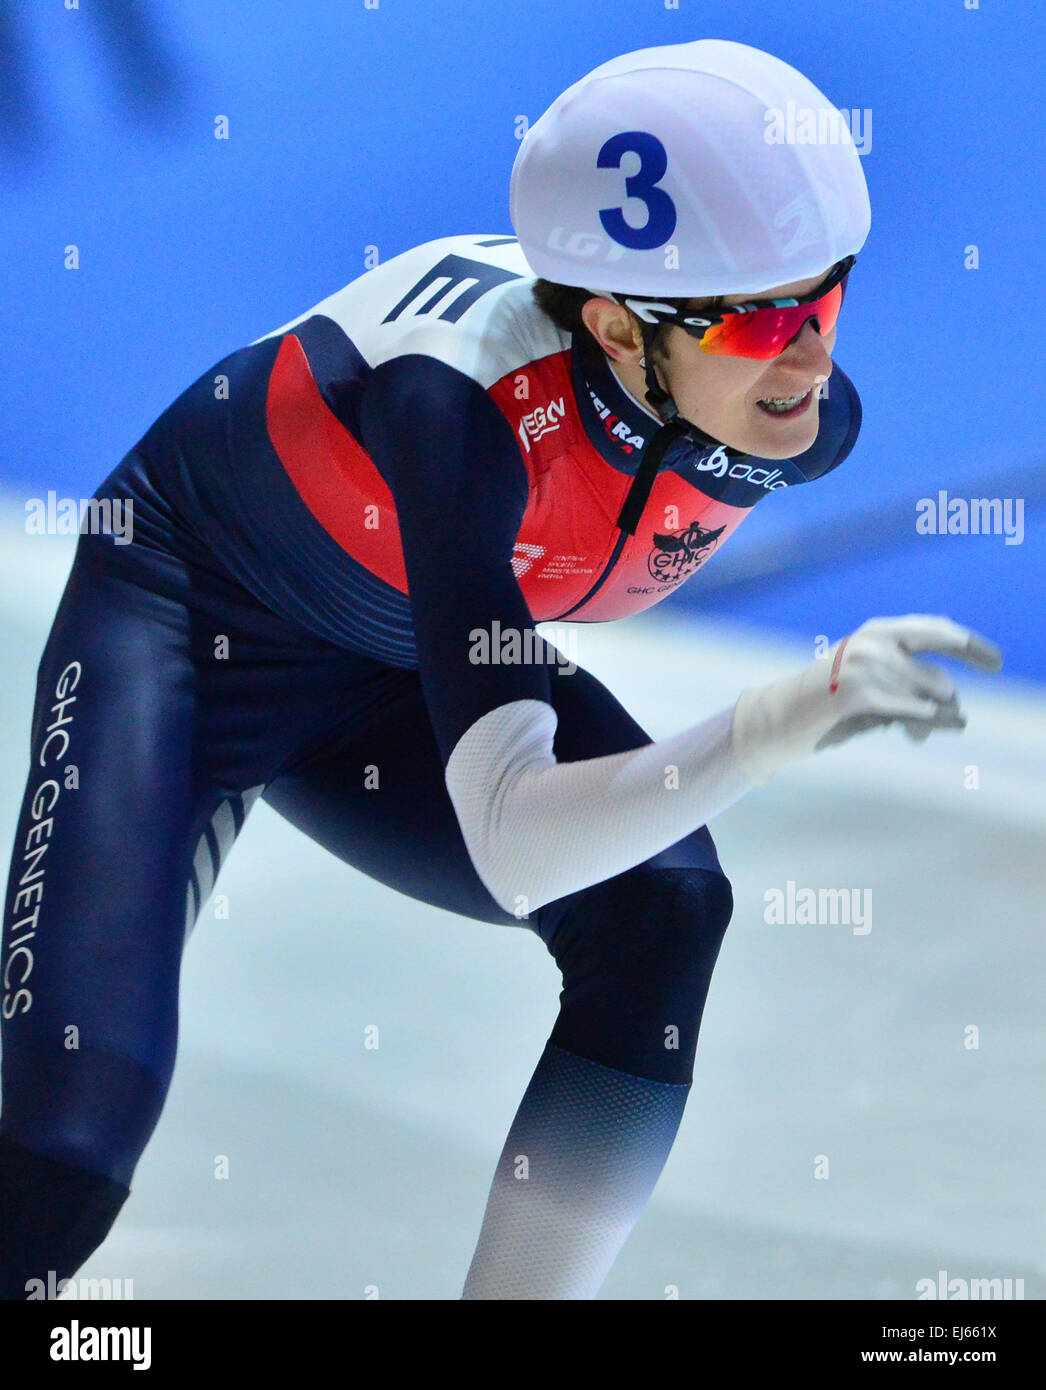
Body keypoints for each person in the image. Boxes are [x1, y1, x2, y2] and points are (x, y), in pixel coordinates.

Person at [0, 38, 1000, 1301]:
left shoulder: (782, 421)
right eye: (762, 320)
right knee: (64, 1153)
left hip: (389, 654)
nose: (811, 362)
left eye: (828, 297)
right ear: (612, 325)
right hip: (185, 624)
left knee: (662, 907)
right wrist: (782, 717)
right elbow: (514, 842)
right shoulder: (452, 414)